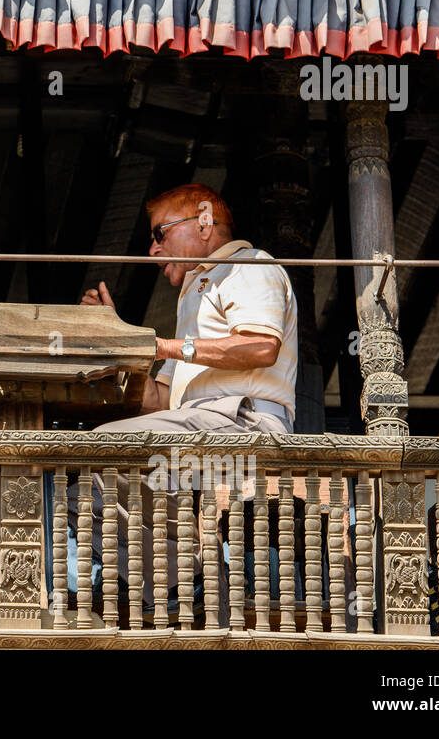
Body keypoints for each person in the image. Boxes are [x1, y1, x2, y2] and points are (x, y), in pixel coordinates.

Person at [72, 183, 299, 608]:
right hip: (201, 426)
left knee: (108, 445)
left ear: (205, 221)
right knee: (86, 461)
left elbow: (260, 346)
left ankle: (189, 580)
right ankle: (159, 583)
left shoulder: (250, 266)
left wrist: (162, 346)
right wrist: (118, 344)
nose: (153, 251)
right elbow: (161, 402)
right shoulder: (195, 293)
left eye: (160, 234)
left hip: (245, 424)